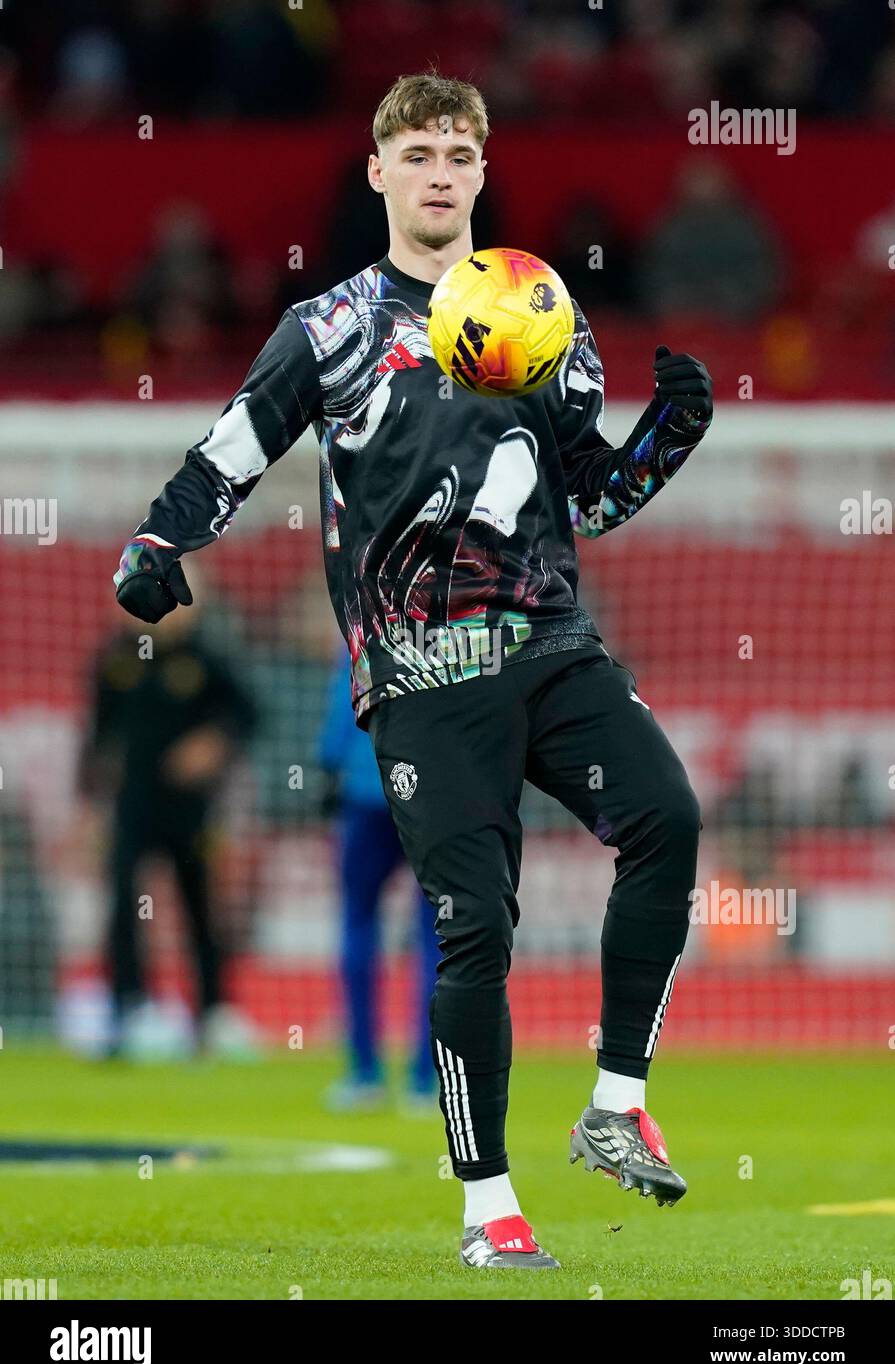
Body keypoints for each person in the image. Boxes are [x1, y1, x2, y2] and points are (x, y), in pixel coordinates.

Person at [112, 71, 713, 1269]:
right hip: (419, 670)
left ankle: (612, 1103)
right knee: (472, 926)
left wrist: (663, 442)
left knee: (668, 817)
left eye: (458, 154)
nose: (440, 174)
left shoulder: (544, 312)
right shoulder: (326, 329)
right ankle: (487, 1211)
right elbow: (230, 452)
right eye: (417, 154)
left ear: (483, 173)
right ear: (380, 173)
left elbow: (585, 499)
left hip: (547, 642)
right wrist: (157, 541)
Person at [81, 571, 259, 1060]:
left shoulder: (204, 659)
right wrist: (90, 807)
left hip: (191, 810)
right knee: (123, 903)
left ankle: (214, 1012)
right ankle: (129, 1007)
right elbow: (96, 737)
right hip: (132, 805)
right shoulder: (117, 660)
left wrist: (214, 743)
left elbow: (247, 713)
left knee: (199, 906)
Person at [318, 648, 439, 1112]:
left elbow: (343, 702)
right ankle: (426, 1080)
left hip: (366, 790)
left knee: (358, 923)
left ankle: (364, 1073)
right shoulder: (456, 620)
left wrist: (329, 767)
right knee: (437, 932)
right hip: (431, 790)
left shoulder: (364, 621)